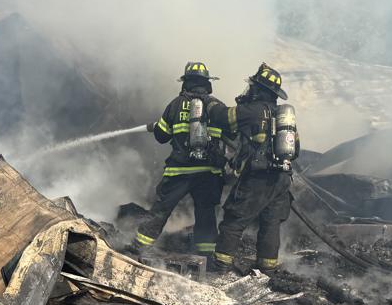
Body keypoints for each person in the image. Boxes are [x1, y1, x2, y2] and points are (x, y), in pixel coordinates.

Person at [126, 62, 232, 260]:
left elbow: (162, 136)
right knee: (206, 213)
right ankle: (206, 253)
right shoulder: (218, 107)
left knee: (162, 209)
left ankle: (139, 246)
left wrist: (159, 127)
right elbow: (230, 135)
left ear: (186, 82)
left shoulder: (176, 104)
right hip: (209, 173)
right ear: (207, 83)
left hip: (179, 171)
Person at [212, 63, 299, 274]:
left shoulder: (252, 111)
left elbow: (222, 117)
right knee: (270, 223)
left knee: (233, 221)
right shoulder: (283, 116)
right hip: (281, 179)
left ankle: (221, 268)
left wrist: (209, 103)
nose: (249, 90)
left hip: (259, 177)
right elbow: (295, 150)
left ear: (259, 90)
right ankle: (267, 270)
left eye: (253, 86)